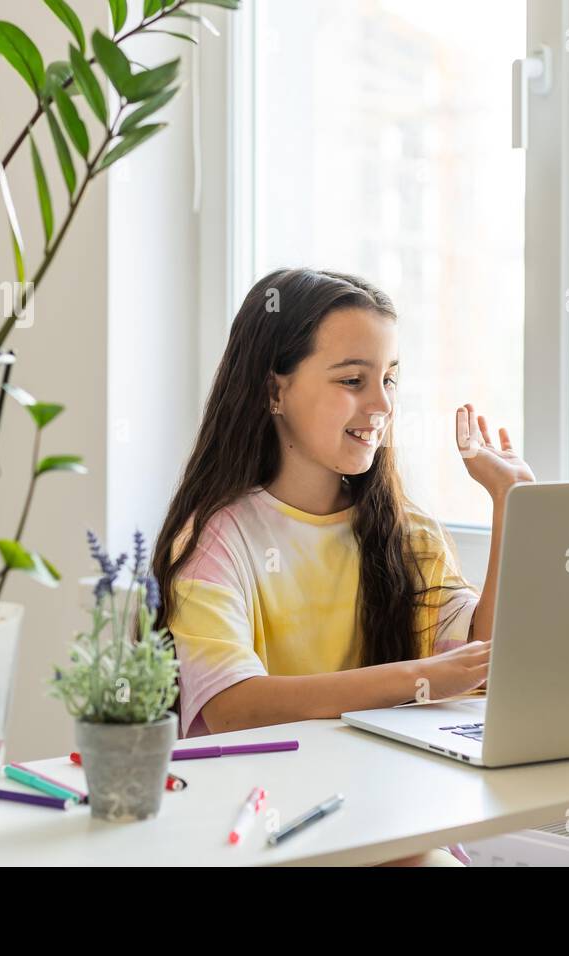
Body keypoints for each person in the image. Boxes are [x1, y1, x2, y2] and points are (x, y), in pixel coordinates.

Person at [149, 268, 534, 866]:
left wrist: (512, 507)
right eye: (353, 379)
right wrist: (417, 679)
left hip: (381, 815)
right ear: (273, 390)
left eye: (389, 379)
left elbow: (483, 667)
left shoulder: (407, 534)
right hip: (258, 832)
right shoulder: (216, 541)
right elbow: (232, 706)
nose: (381, 404)